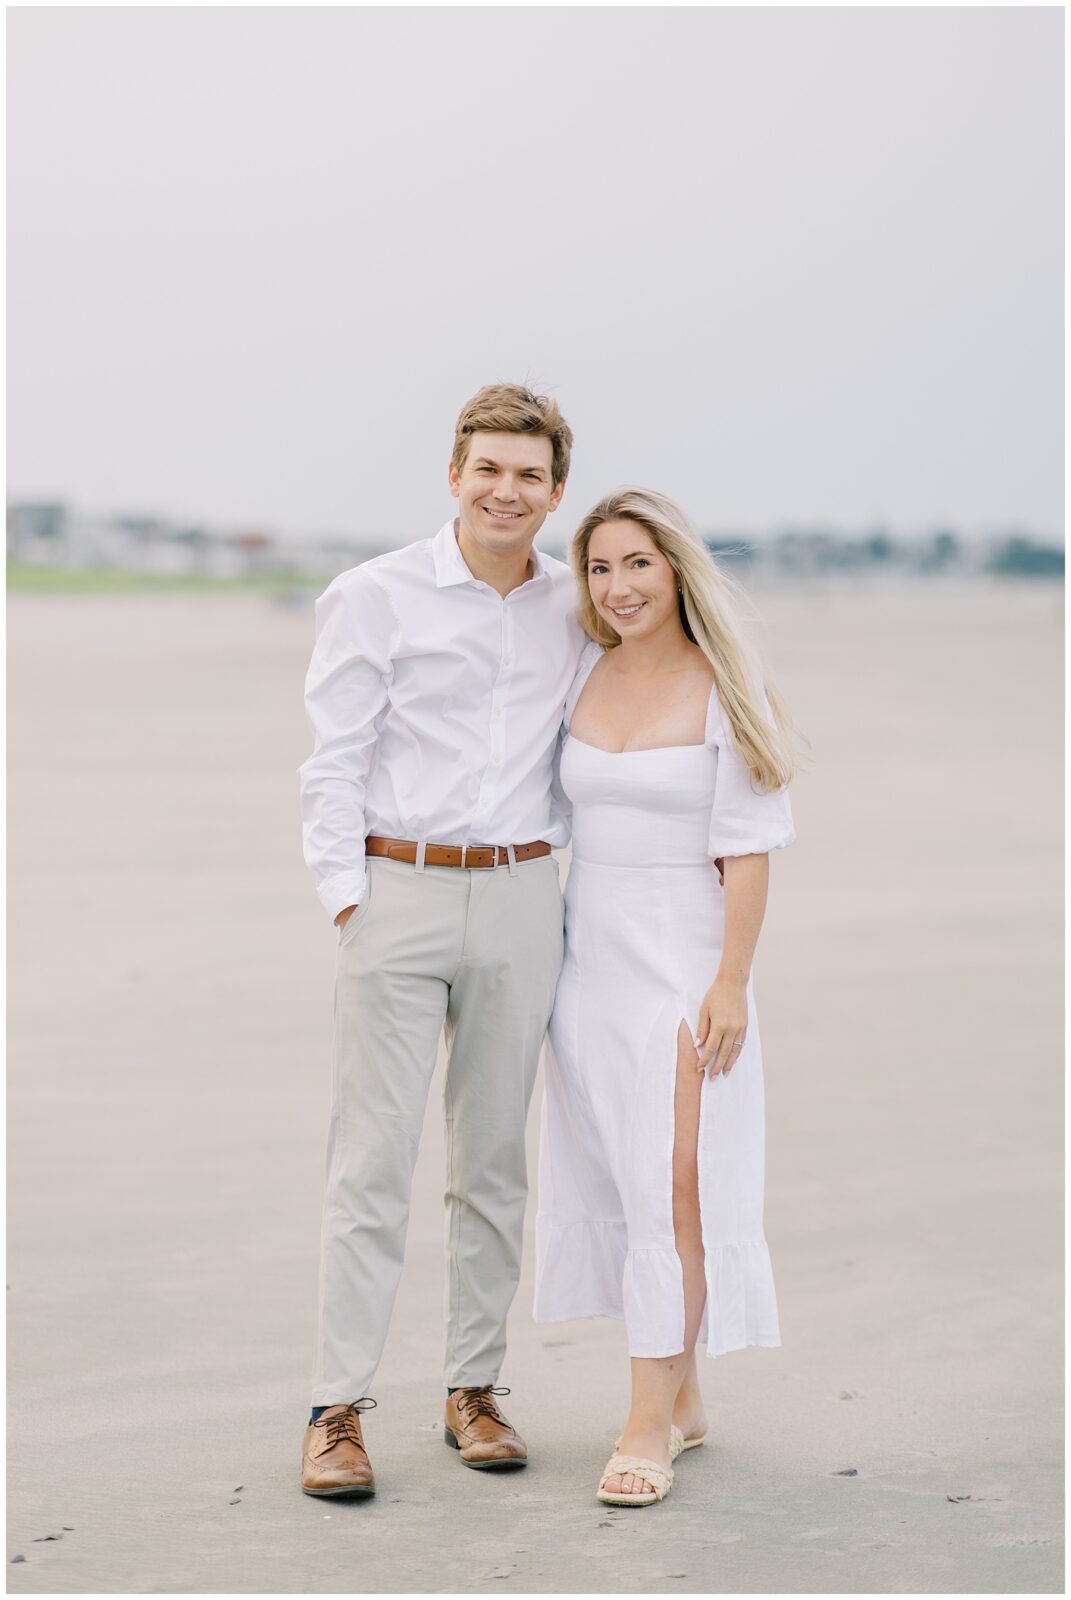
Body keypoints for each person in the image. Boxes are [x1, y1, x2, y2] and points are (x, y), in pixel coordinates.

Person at [298, 383, 585, 1498]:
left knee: (495, 1160)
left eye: (529, 475)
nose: (506, 491)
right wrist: (350, 901)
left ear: (554, 492)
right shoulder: (375, 595)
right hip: (398, 891)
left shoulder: (575, 606)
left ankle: (475, 1387)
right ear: (454, 476)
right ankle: (335, 1408)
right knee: (370, 1162)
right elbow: (332, 759)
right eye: (489, 470)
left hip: (521, 895)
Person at [533, 487, 797, 1507]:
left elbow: (749, 847)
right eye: (599, 567)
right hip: (586, 963)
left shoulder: (725, 687)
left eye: (637, 563)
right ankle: (683, 1401)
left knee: (672, 1185)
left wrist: (731, 980)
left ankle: (646, 1424)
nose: (618, 586)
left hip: (682, 964)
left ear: (677, 569)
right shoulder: (581, 671)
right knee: (617, 1179)